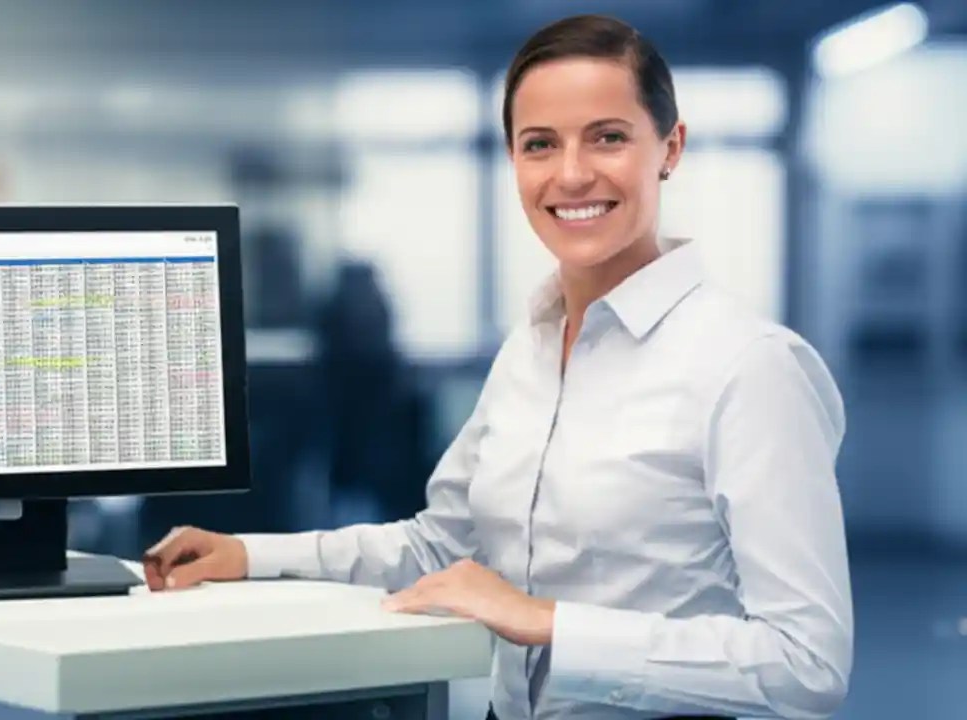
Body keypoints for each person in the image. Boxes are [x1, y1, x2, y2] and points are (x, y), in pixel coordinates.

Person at [142, 13, 852, 720]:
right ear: (514, 159)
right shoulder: (533, 346)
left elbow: (807, 663)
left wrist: (547, 621)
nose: (571, 175)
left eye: (608, 137)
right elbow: (440, 543)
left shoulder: (750, 367)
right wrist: (249, 554)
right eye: (539, 144)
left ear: (670, 148)